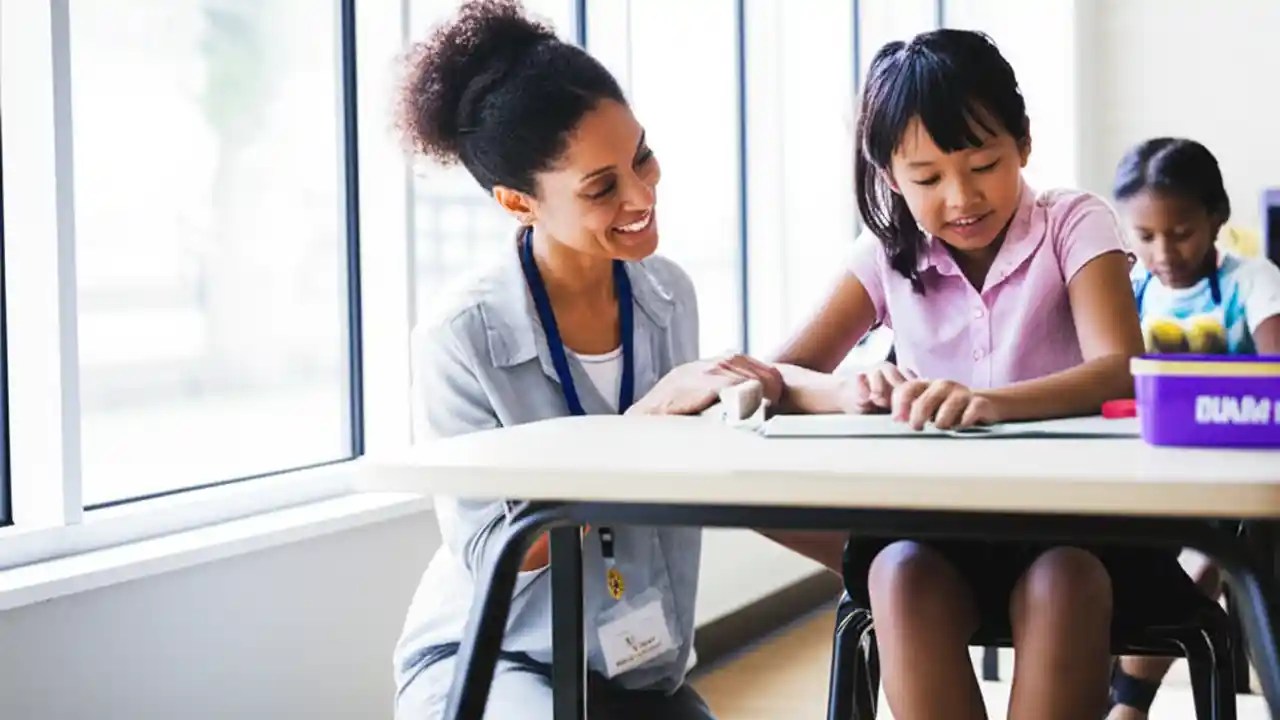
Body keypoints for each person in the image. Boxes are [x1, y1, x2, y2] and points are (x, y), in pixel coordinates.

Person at [771, 29, 1196, 719]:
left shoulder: (1073, 222)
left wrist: (991, 402)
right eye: (928, 178)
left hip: (1083, 524)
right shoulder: (886, 254)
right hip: (942, 529)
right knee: (898, 573)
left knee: (1065, 579)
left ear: (1023, 144)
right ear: (889, 177)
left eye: (984, 164)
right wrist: (851, 390)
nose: (962, 197)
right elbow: (779, 375)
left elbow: (1121, 371)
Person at [391, 2, 780, 717]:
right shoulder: (459, 336)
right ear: (518, 204)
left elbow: (698, 475)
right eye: (601, 187)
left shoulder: (668, 295)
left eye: (641, 157)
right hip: (494, 656)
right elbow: (495, 550)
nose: (641, 195)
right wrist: (641, 426)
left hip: (635, 669)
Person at [1107, 136, 1280, 719]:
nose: (1164, 252)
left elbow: (1276, 370)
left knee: (1212, 549)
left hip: (1236, 471)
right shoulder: (1125, 292)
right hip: (1144, 472)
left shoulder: (1253, 281)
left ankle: (1129, 702)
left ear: (1216, 219)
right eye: (1145, 236)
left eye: (1179, 233)